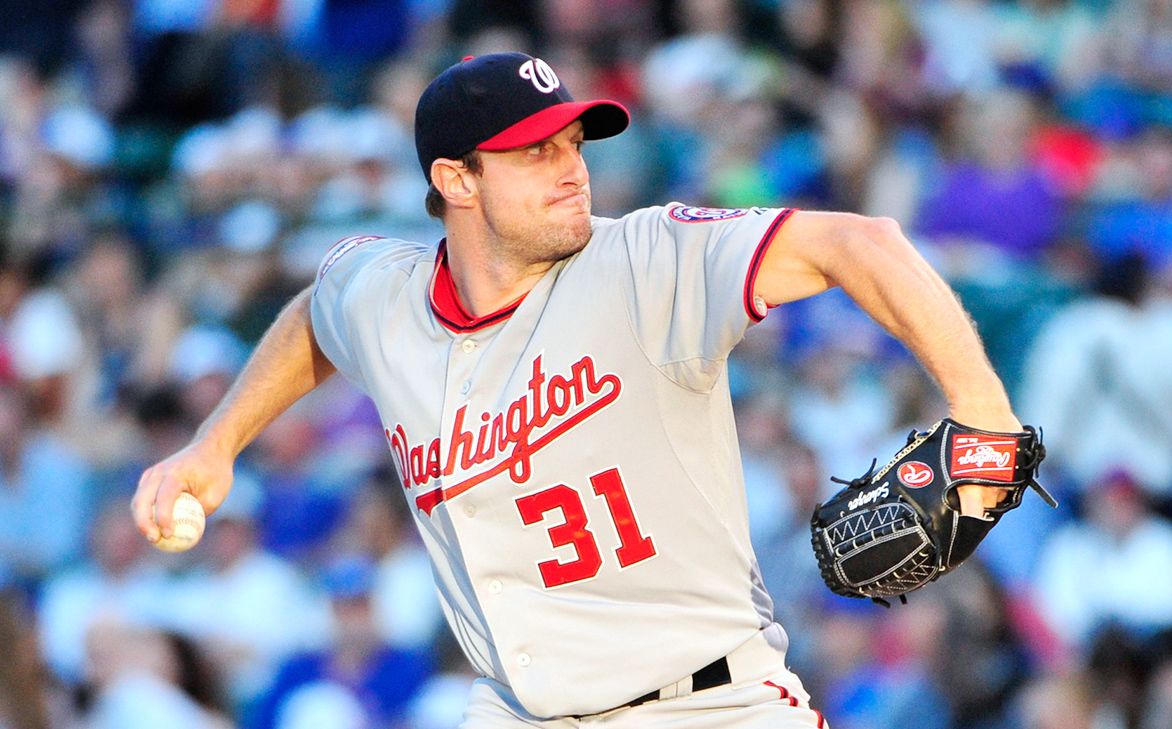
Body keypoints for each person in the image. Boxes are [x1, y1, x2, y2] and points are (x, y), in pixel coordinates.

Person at [133, 52, 1029, 728]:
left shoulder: (648, 258)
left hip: (705, 703)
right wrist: (215, 443)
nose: (571, 167)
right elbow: (315, 319)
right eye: (533, 153)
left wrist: (984, 417)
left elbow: (861, 241)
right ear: (456, 181)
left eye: (571, 141)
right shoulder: (384, 296)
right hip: (516, 708)